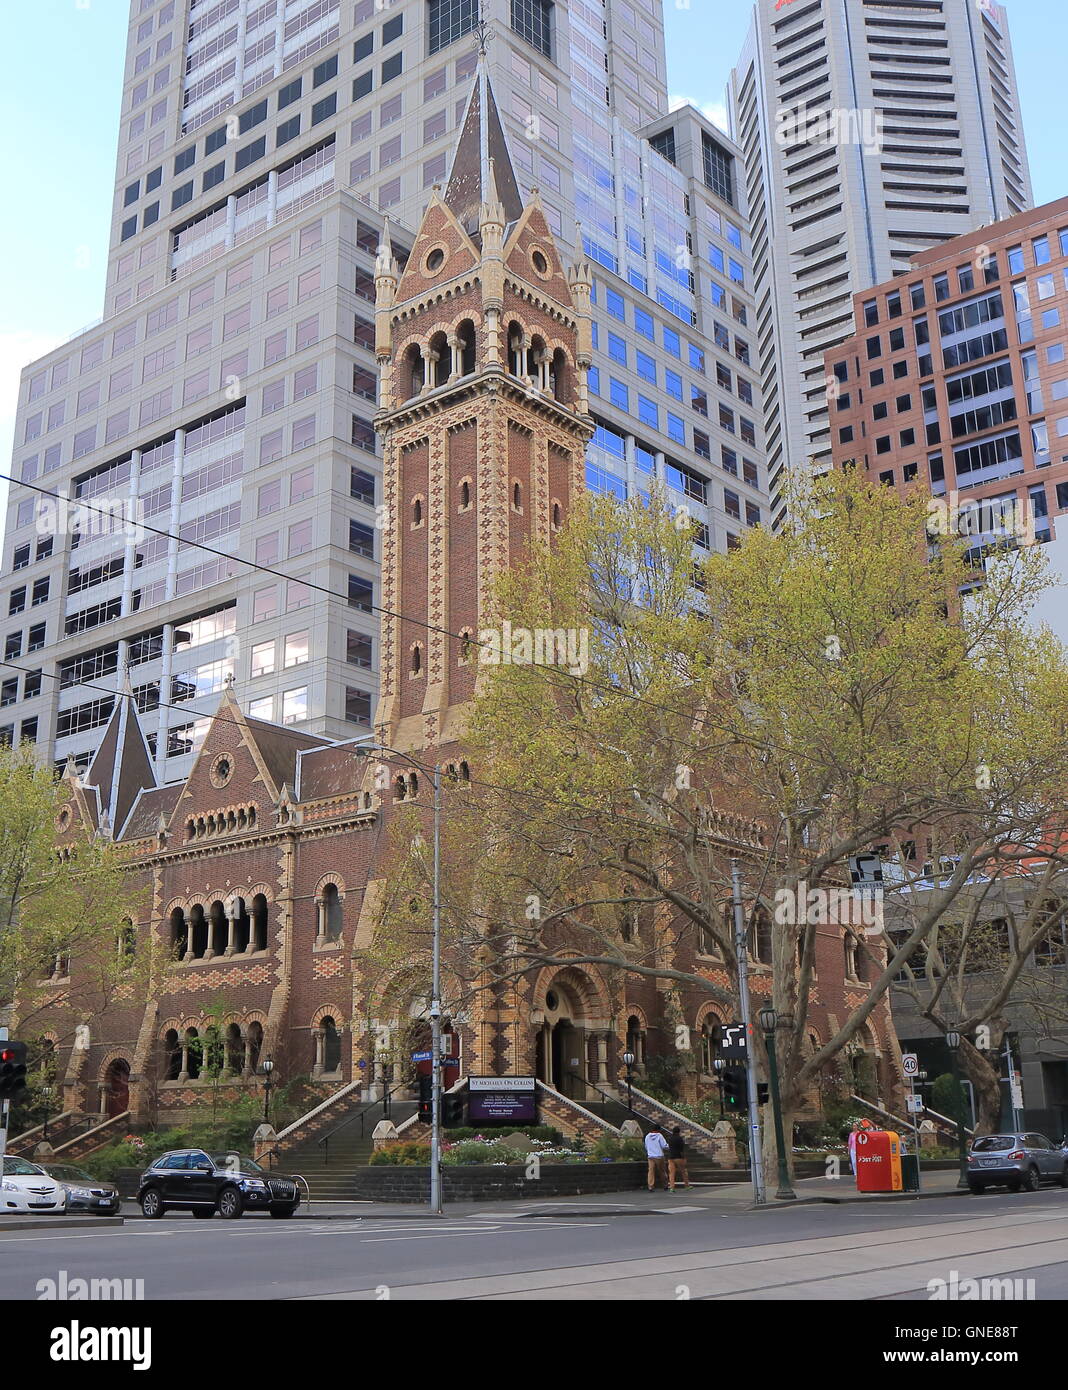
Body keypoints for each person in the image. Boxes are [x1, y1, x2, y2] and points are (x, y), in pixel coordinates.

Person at [644, 1125, 669, 1191]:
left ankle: (650, 1186)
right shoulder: (659, 1135)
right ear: (659, 1130)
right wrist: (669, 1146)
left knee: (651, 1171)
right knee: (662, 1171)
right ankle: (665, 1185)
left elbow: (646, 1146)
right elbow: (664, 1146)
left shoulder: (647, 1136)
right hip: (659, 1156)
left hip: (650, 1156)